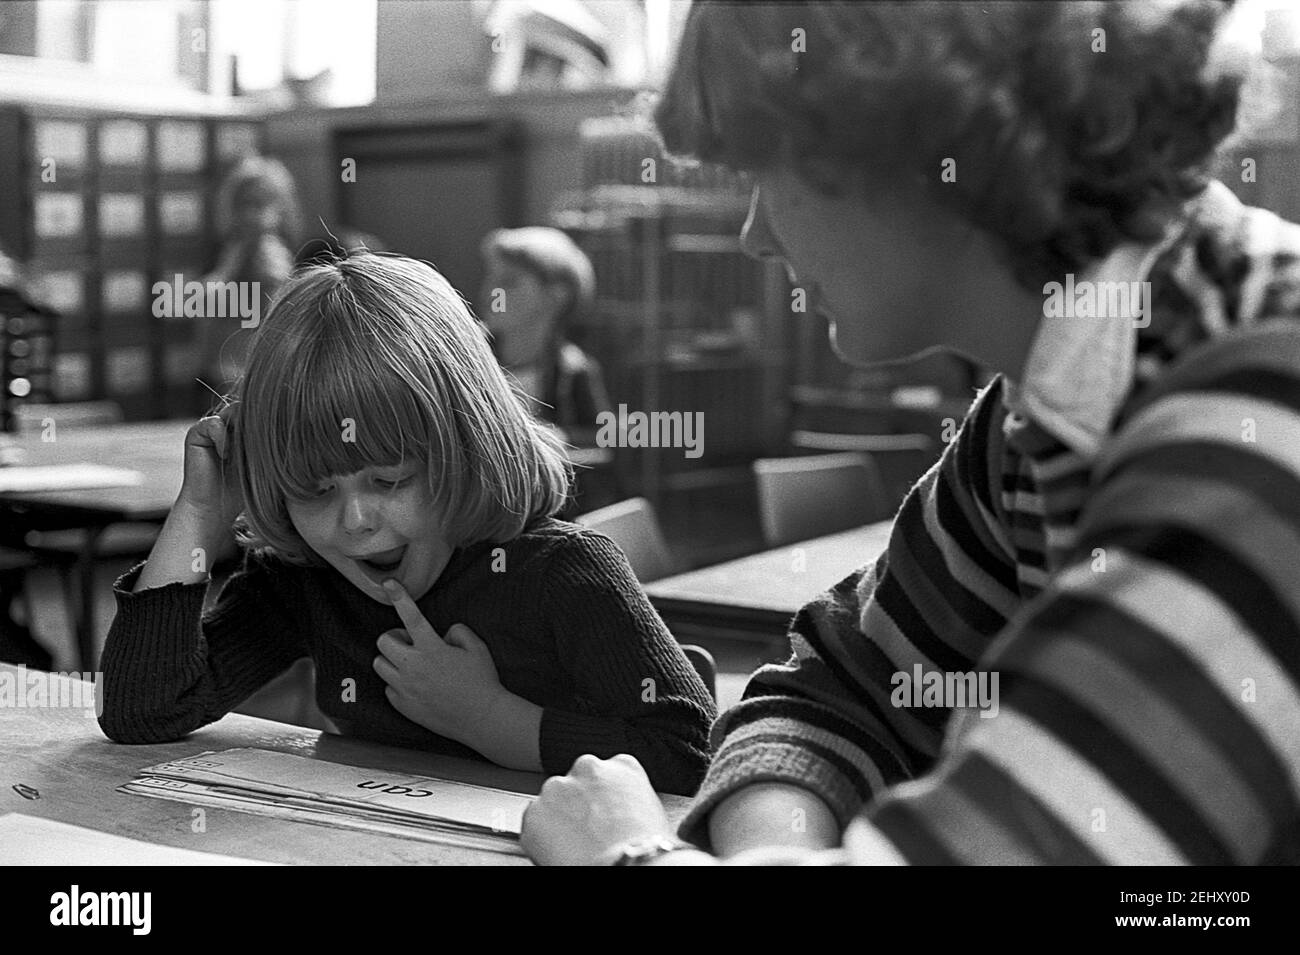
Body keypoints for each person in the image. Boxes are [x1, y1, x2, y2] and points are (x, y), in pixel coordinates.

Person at [521, 0, 1300, 864]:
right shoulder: (1034, 415)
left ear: (909, 143)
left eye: (765, 177)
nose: (755, 236)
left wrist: (629, 852)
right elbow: (827, 697)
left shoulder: (1262, 408)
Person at [98, 252, 714, 795]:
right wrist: (201, 512)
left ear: (468, 444)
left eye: (389, 481)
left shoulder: (563, 573)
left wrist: (492, 720)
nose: (354, 522)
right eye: (312, 491)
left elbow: (690, 754)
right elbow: (142, 710)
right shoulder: (307, 579)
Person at [479, 227, 611, 449]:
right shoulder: (467, 358)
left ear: (556, 296)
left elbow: (602, 437)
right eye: (491, 279)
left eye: (508, 282)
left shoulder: (573, 368)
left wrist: (559, 438)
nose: (492, 293)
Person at [196, 156, 300, 408]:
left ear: (281, 206)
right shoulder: (224, 251)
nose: (255, 213)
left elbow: (286, 317)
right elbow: (198, 306)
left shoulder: (281, 253)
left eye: (265, 203)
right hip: (223, 372)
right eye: (247, 204)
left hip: (265, 374)